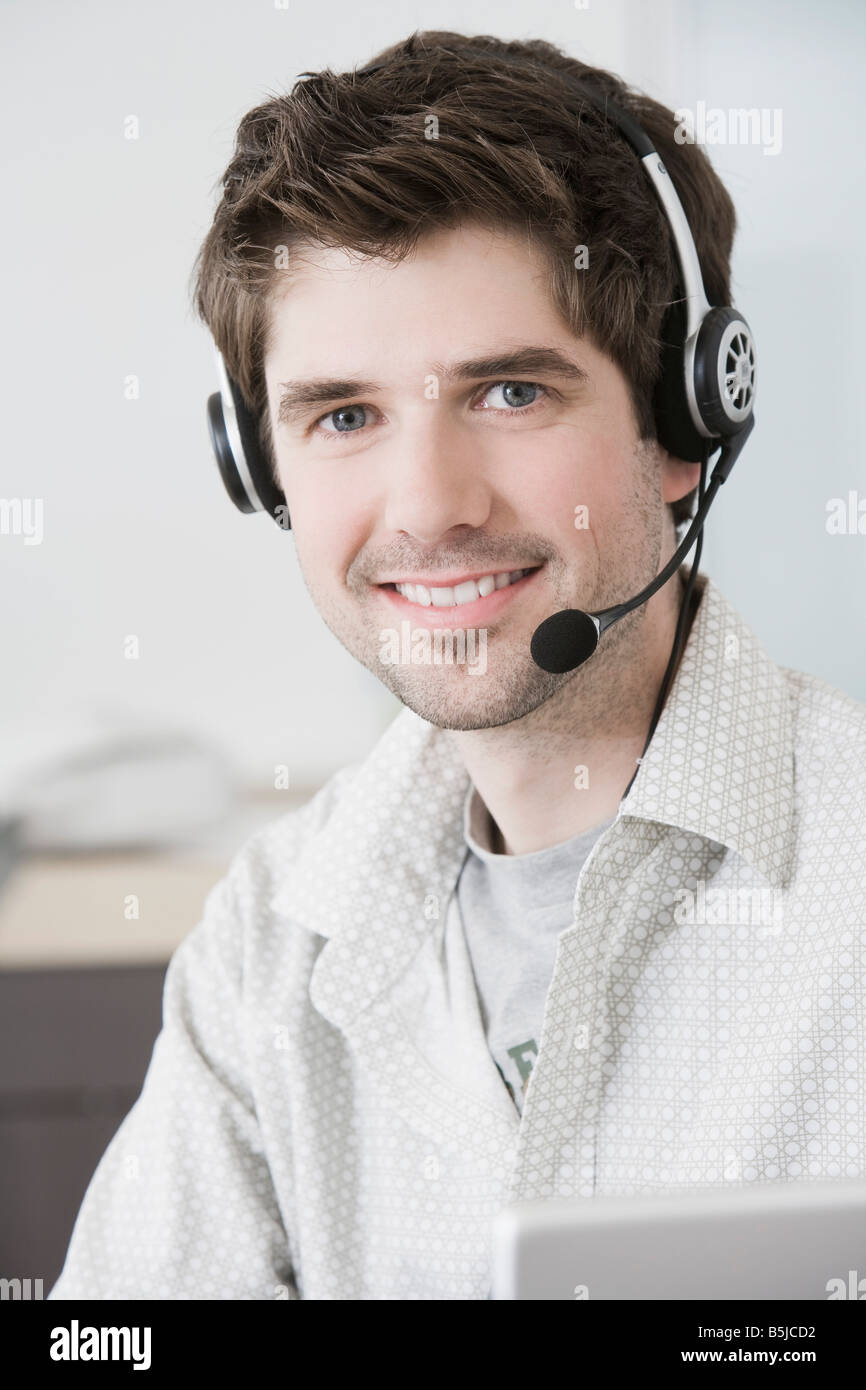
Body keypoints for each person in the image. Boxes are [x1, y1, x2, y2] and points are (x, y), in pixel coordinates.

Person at [49, 29, 866, 1301]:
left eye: (507, 394)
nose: (425, 508)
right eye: (343, 416)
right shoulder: (268, 943)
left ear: (686, 421)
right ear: (260, 469)